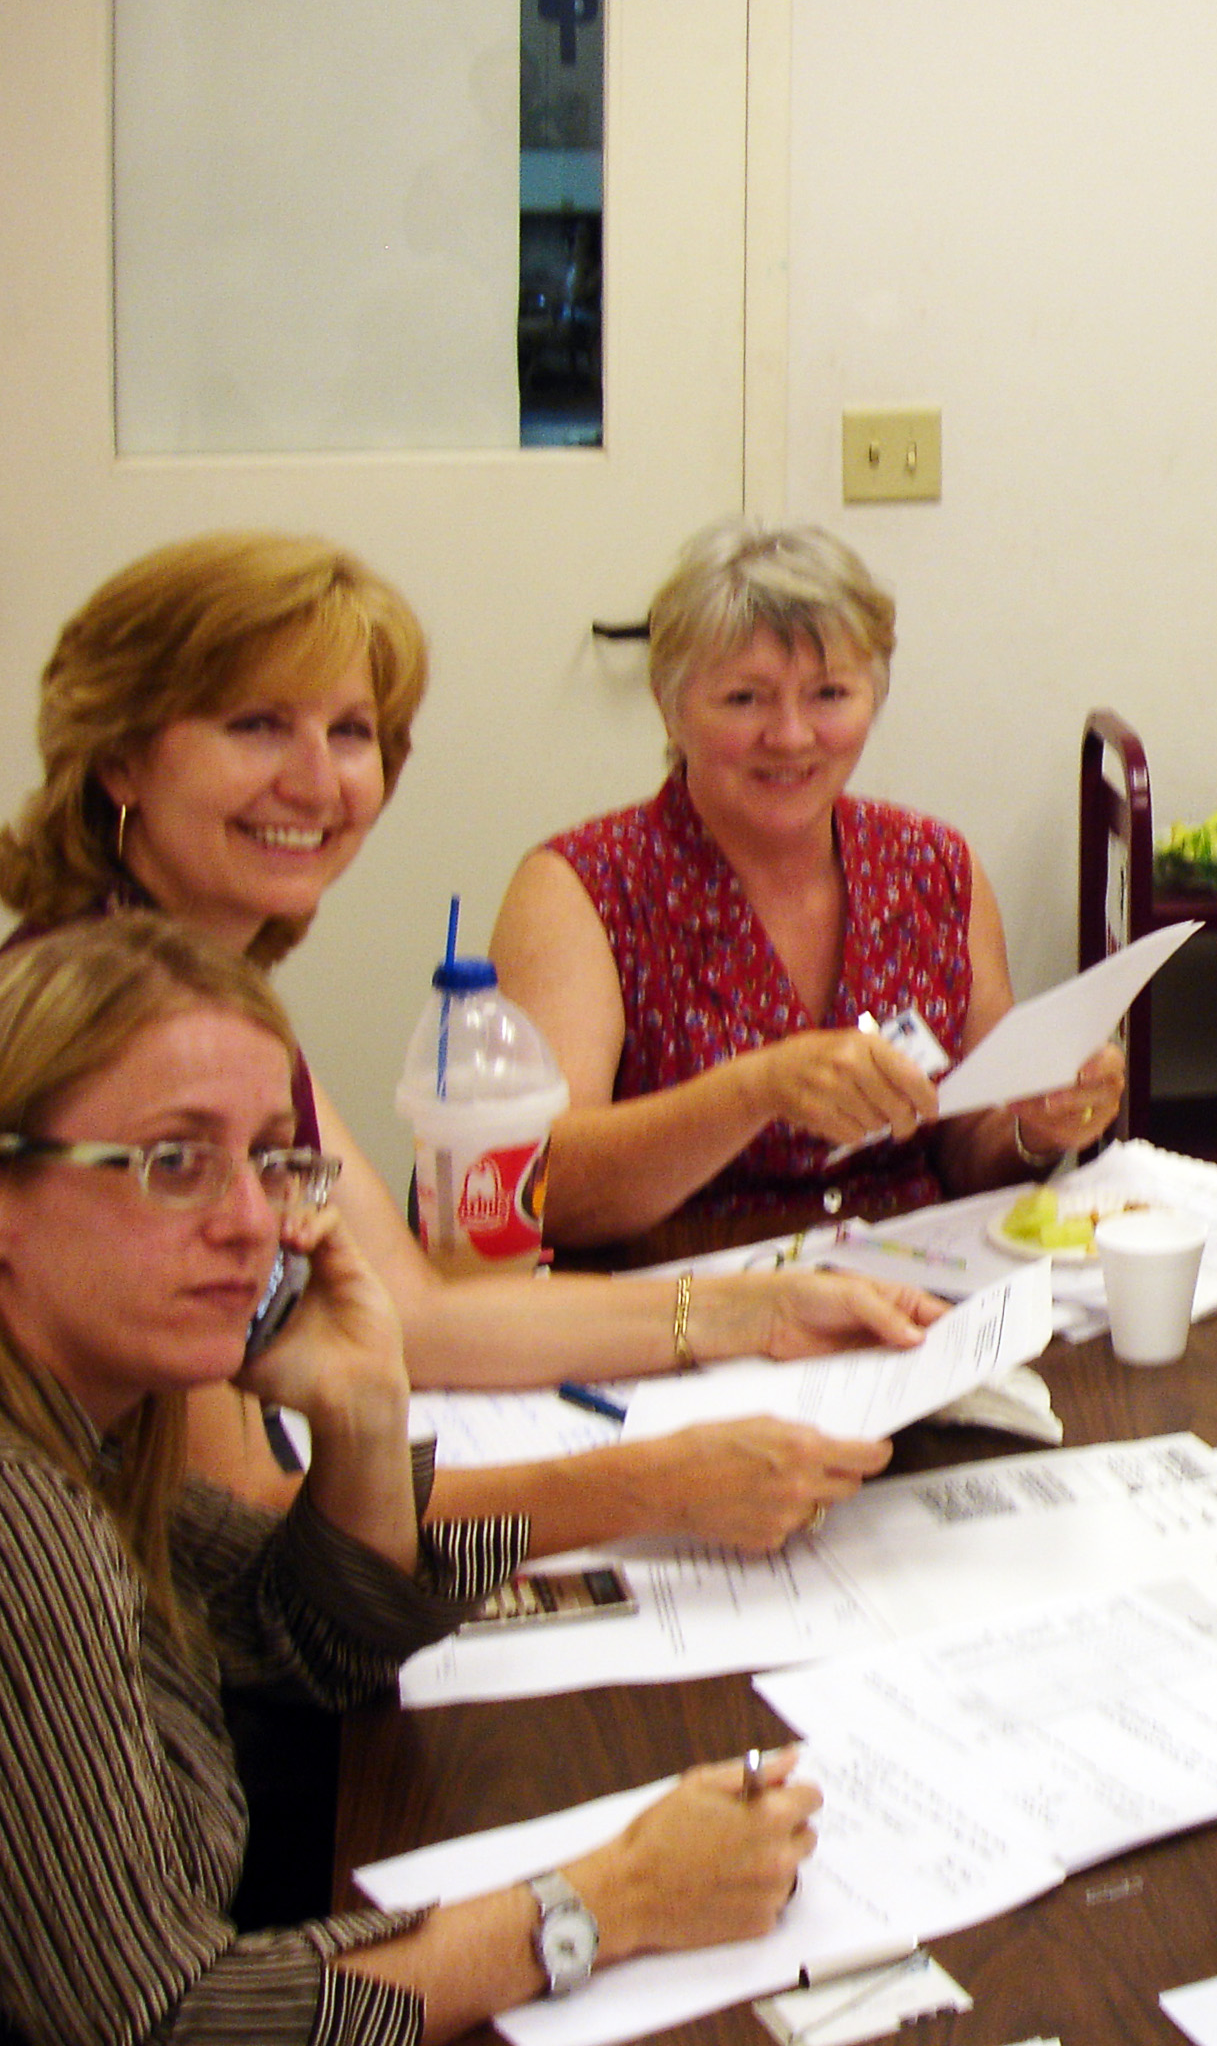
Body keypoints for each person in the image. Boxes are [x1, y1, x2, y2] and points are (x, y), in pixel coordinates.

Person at [0, 532, 939, 1560]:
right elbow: (237, 1517)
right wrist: (653, 1485)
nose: (316, 782)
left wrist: (754, 1312)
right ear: (121, 756)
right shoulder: (115, 1036)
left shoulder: (189, 986)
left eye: (350, 732)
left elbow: (415, 1314)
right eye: (257, 725)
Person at [0, 912, 817, 2045]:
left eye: (272, 1161)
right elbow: (171, 2023)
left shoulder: (96, 1427)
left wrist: (367, 1411)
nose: (251, 1223)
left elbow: (312, 1642)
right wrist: (610, 1901)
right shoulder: (24, 1522)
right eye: (174, 1163)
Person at [492, 520, 1124, 1252]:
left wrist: (1038, 1125)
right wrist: (754, 1091)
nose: (791, 736)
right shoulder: (583, 889)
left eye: (829, 694)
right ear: (671, 706)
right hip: (680, 1300)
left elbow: (968, 1148)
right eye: (744, 699)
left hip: (918, 1282)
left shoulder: (934, 867)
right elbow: (539, 1191)